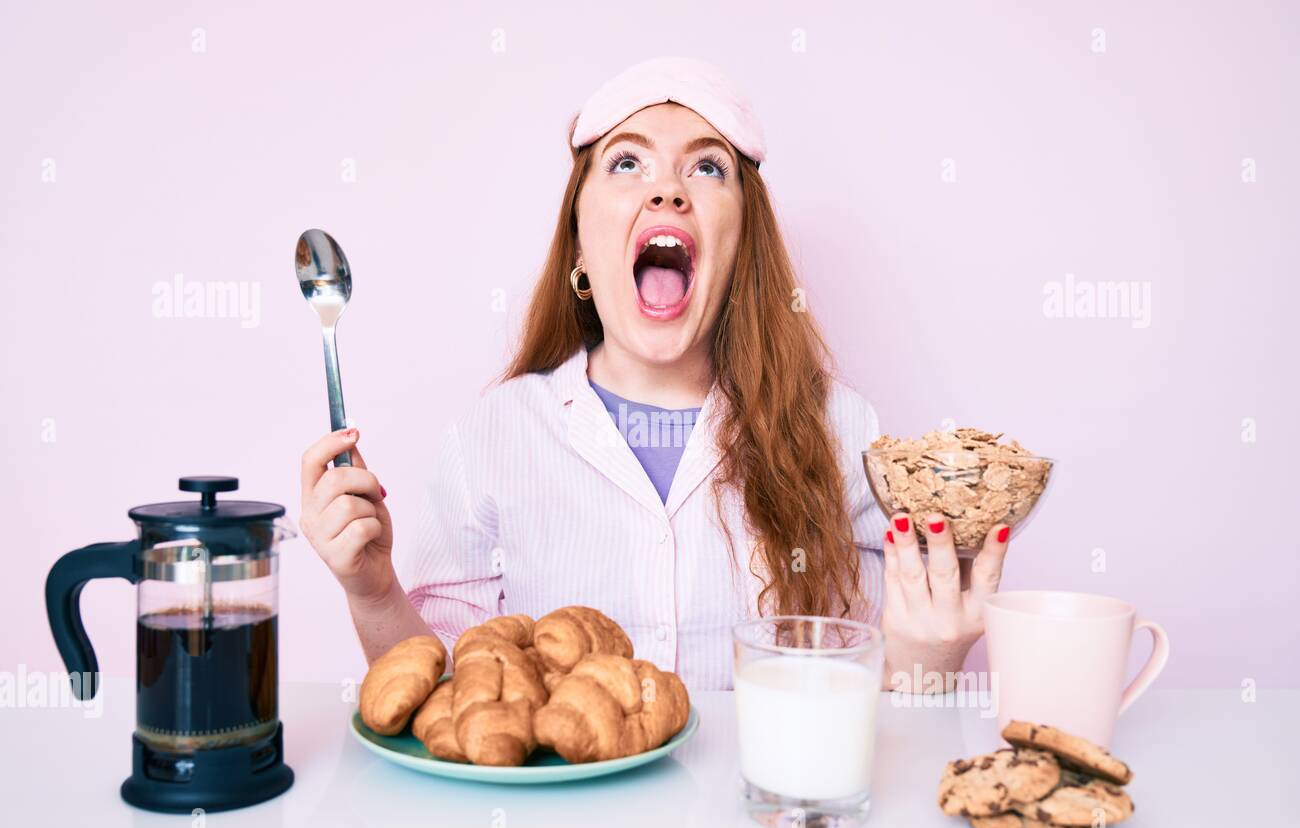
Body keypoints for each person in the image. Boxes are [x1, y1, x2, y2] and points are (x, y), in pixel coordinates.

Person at [298, 57, 1010, 692]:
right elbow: (451, 696)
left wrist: (929, 657)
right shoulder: (494, 436)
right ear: (579, 242)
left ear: (742, 247)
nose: (668, 188)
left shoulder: (843, 431)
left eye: (706, 168)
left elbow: (871, 710)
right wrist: (371, 590)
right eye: (627, 163)